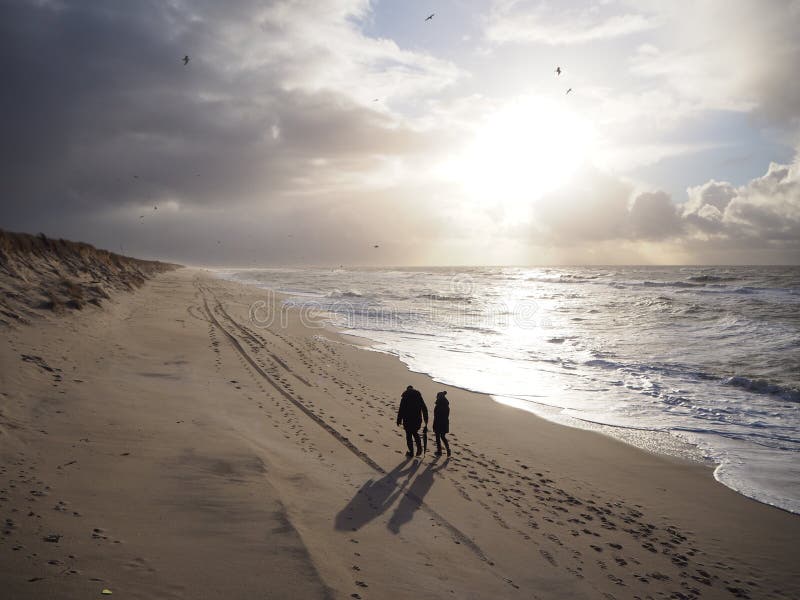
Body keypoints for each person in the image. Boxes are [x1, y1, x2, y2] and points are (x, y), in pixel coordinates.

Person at [397, 385, 428, 457]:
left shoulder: (405, 396)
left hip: (407, 419)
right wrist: (426, 421)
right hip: (417, 419)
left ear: (407, 389)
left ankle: (411, 452)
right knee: (415, 433)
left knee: (408, 435)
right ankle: (419, 448)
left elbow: (401, 409)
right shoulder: (419, 396)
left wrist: (399, 420)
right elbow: (424, 409)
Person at [433, 390, 451, 456]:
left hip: (438, 423)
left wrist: (434, 425)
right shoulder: (447, 406)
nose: (436, 398)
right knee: (443, 436)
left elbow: (436, 416)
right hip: (445, 423)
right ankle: (448, 449)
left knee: (438, 437)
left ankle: (439, 451)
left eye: (437, 396)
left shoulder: (438, 406)